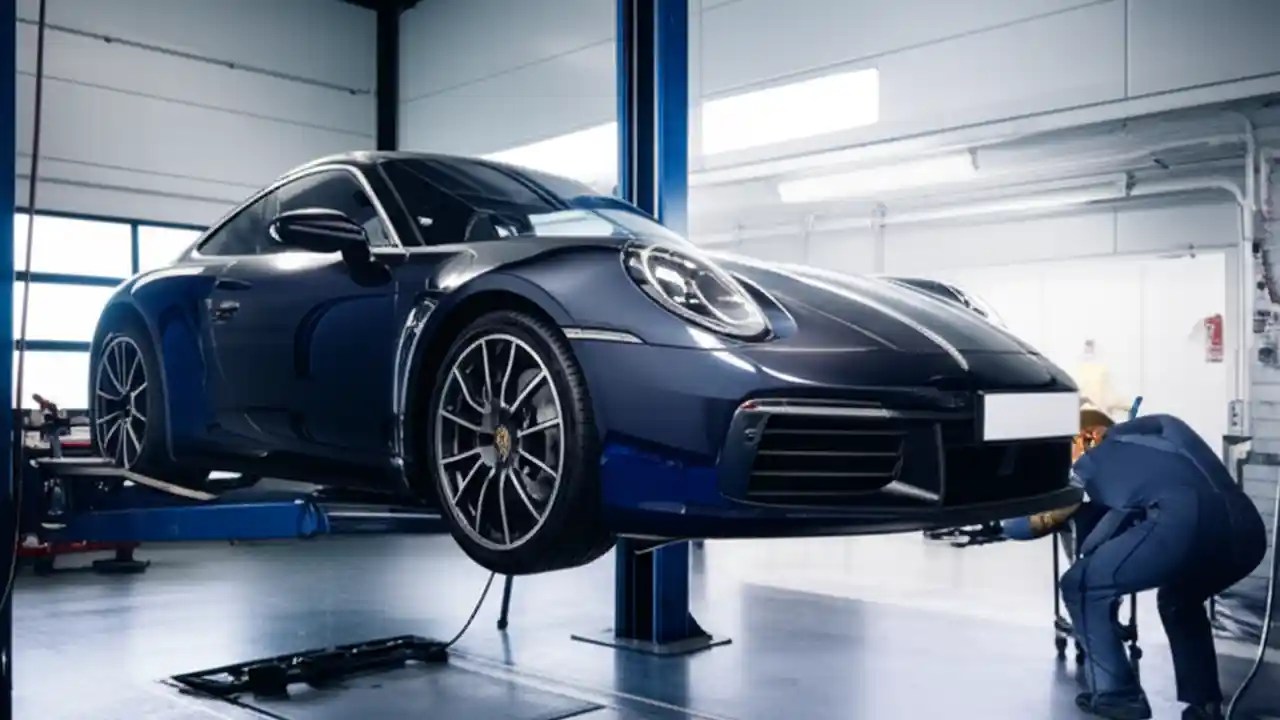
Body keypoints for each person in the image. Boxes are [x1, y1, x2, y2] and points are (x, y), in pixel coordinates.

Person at [1002, 413, 1267, 720]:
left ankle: (1117, 696)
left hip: (1184, 524)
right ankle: (1204, 702)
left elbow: (1022, 527)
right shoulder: (1165, 426)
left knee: (1081, 585)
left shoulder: (1088, 459)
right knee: (1179, 601)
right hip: (1247, 534)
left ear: (1085, 436)